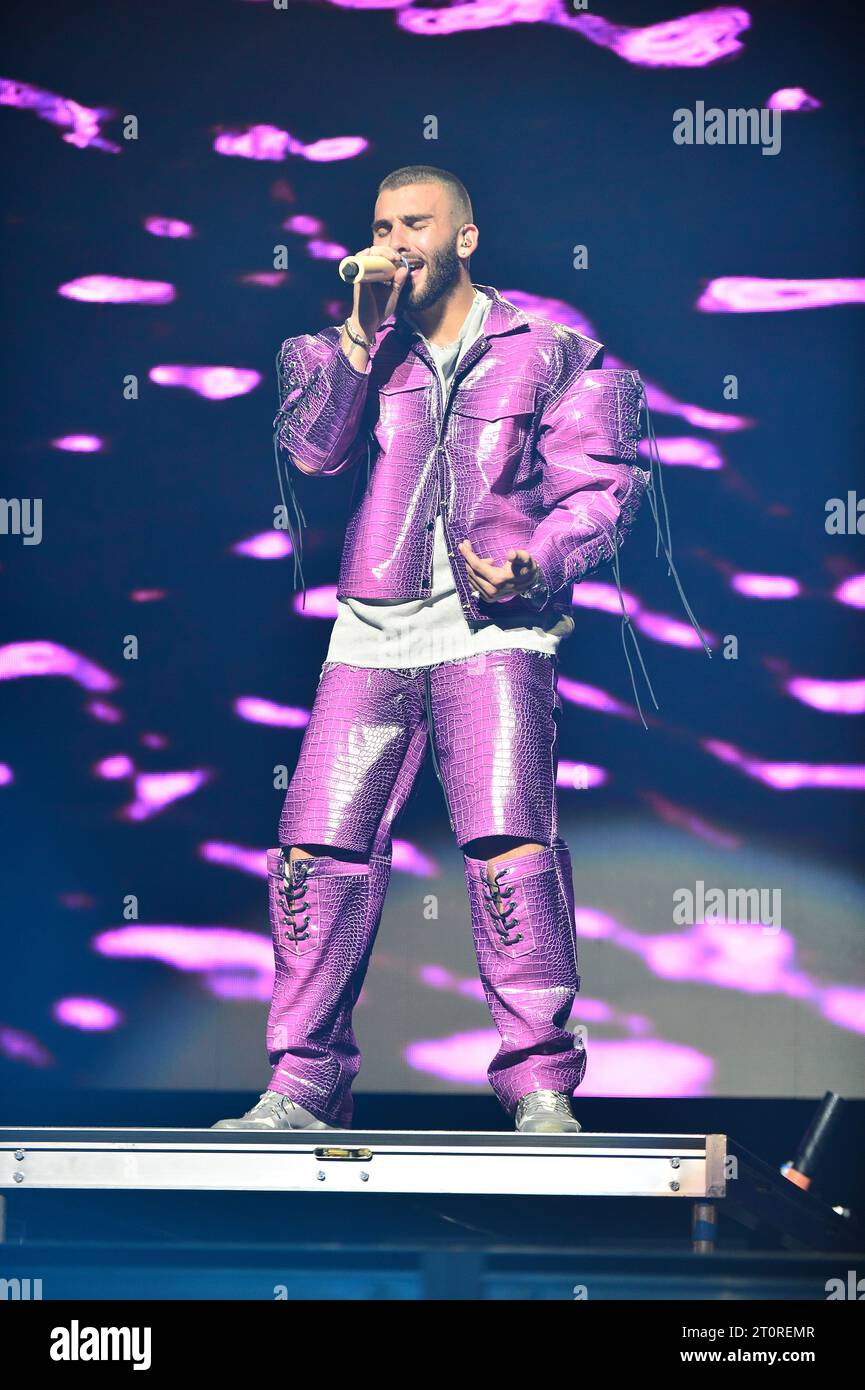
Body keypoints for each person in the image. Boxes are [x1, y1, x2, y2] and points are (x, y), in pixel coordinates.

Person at [213, 164, 676, 1136]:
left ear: (465, 237)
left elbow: (602, 491)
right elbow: (313, 451)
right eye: (382, 226)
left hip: (494, 628)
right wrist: (356, 331)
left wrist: (536, 558)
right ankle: (303, 1084)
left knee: (511, 848)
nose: (396, 240)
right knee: (314, 854)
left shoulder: (554, 353)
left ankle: (539, 1084)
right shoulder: (340, 348)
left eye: (416, 223)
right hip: (371, 627)